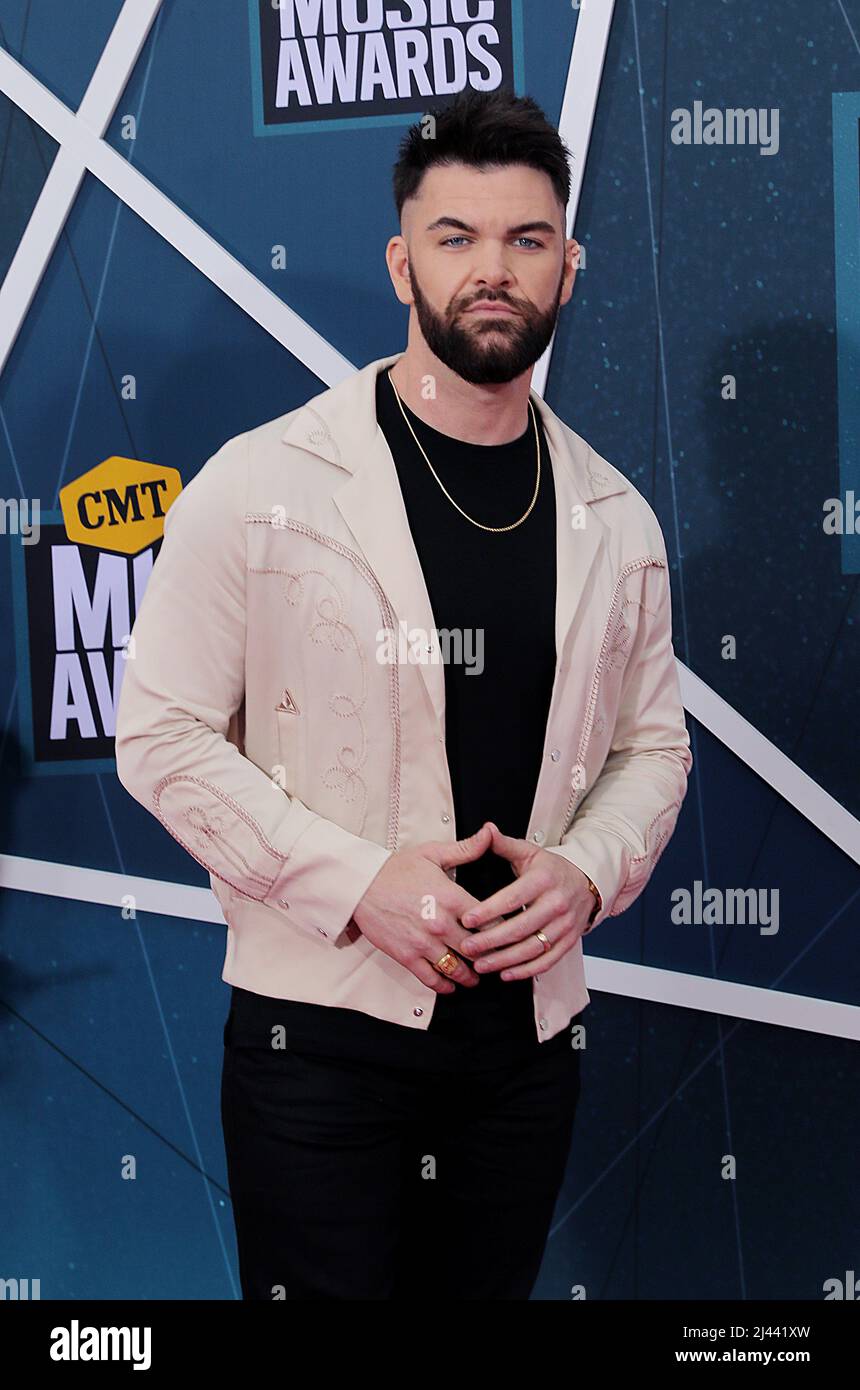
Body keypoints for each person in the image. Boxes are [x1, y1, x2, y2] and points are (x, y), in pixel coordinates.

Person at [115, 87, 692, 1300]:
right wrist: (355, 881)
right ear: (399, 262)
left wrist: (586, 871)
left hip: (524, 1051)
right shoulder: (262, 479)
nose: (493, 270)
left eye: (526, 241)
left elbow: (654, 748)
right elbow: (158, 735)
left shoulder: (616, 514)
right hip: (315, 1042)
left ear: (568, 268)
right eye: (456, 237)